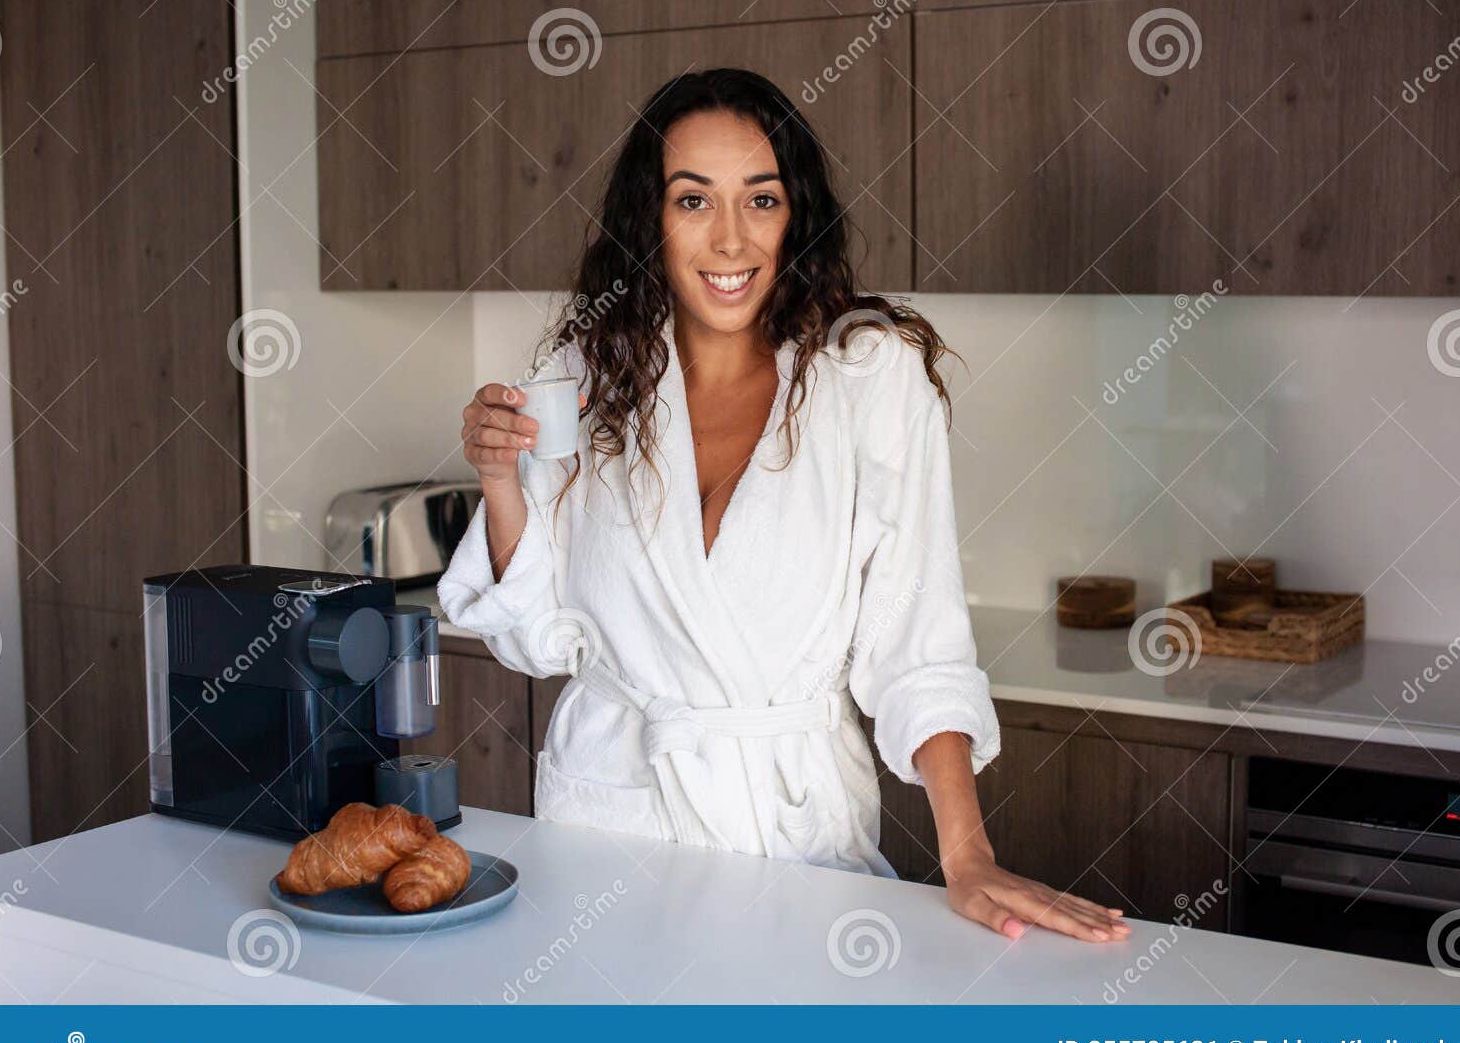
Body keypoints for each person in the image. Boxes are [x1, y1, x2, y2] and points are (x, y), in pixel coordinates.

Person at [441, 68, 1129, 944]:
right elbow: (531, 635)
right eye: (693, 201)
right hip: (610, 835)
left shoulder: (867, 378)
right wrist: (500, 478)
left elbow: (917, 643)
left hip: (796, 842)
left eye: (759, 199)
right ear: (648, 220)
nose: (731, 240)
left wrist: (968, 854)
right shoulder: (591, 377)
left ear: (793, 211)